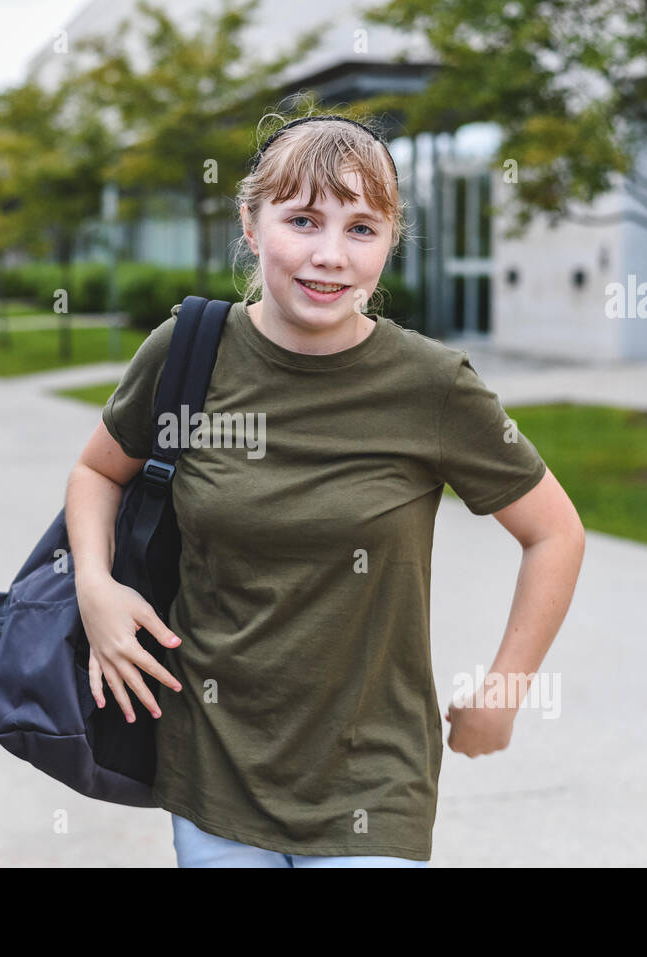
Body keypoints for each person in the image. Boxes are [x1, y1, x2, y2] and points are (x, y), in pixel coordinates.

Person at [64, 112, 585, 867]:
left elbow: (556, 533)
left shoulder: (432, 386)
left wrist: (505, 690)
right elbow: (96, 472)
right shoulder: (187, 354)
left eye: (362, 228)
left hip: (372, 783)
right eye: (302, 220)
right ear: (251, 222)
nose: (330, 256)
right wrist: (94, 586)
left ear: (391, 239)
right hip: (213, 769)